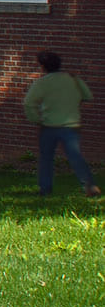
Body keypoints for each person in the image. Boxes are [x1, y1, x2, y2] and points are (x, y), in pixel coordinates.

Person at [26, 51, 97, 198]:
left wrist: (35, 119)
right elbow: (87, 96)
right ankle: (89, 186)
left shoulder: (42, 83)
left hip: (49, 126)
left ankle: (45, 190)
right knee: (75, 157)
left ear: (43, 66)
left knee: (46, 158)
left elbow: (28, 103)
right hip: (72, 125)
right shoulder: (73, 79)